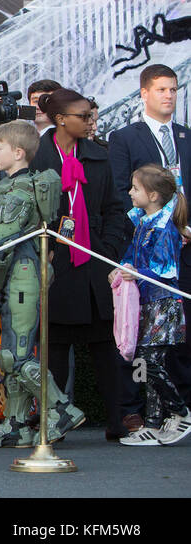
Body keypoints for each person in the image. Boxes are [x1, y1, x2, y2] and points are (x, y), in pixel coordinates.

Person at [0, 120, 86, 447]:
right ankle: (16, 423)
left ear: (18, 153)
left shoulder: (18, 191)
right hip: (24, 273)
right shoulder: (18, 186)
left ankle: (61, 408)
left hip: (20, 275)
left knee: (19, 356)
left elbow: (1, 245)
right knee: (11, 354)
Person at [30, 89, 131, 441]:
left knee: (104, 344)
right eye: (83, 116)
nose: (91, 122)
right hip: (55, 262)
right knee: (55, 347)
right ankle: (53, 422)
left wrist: (111, 250)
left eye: (90, 115)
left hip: (95, 262)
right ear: (61, 120)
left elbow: (115, 208)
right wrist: (43, 252)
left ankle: (118, 420)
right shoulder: (37, 156)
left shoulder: (98, 155)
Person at [108, 62, 191, 434]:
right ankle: (135, 409)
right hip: (147, 252)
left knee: (179, 335)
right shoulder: (125, 138)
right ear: (144, 93)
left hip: (184, 248)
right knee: (141, 336)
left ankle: (177, 411)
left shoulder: (187, 136)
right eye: (161, 89)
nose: (169, 96)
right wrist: (156, 229)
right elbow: (120, 193)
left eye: (173, 89)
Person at [112, 165, 191, 445]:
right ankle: (155, 425)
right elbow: (132, 255)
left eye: (136, 188)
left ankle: (180, 412)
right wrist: (121, 267)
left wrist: (136, 273)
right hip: (146, 302)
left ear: (154, 195)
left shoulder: (165, 227)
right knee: (146, 361)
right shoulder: (143, 222)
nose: (130, 193)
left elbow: (166, 268)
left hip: (164, 303)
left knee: (149, 361)